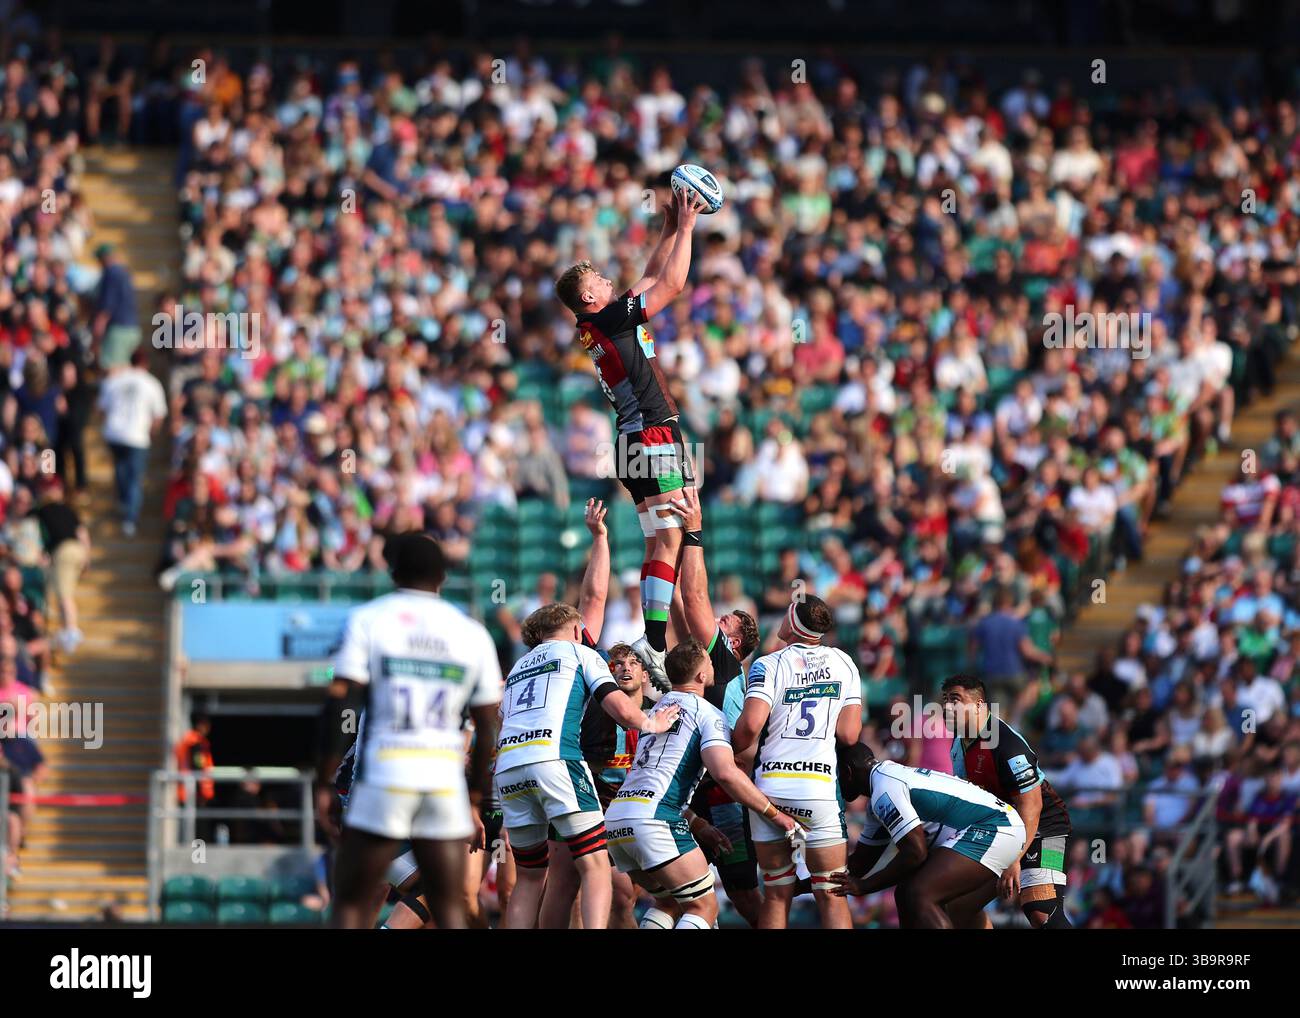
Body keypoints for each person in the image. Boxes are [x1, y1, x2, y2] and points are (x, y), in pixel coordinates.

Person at [554, 186, 707, 687]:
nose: (607, 278)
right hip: (652, 435)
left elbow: (651, 275)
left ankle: (655, 640)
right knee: (671, 537)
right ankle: (656, 644)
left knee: (658, 542)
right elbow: (672, 284)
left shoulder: (601, 320)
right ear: (588, 297)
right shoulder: (608, 318)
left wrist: (668, 228)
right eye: (598, 278)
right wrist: (688, 227)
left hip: (632, 441)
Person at [322, 532, 503, 929]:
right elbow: (487, 725)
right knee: (448, 899)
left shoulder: (369, 619)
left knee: (352, 898)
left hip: (383, 775)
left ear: (393, 573)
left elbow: (340, 702)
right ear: (443, 577)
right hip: (440, 781)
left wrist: (324, 780)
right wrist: (475, 800)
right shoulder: (471, 633)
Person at [495, 601, 680, 931]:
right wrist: (651, 723)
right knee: (594, 864)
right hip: (554, 759)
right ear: (576, 629)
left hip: (509, 767)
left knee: (529, 877)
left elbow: (502, 720)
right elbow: (617, 704)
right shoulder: (580, 653)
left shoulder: (518, 667)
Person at [605, 637, 797, 929]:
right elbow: (726, 773)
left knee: (669, 903)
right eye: (709, 663)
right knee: (704, 906)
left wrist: (697, 823)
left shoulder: (656, 710)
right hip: (655, 820)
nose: (712, 667)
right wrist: (774, 813)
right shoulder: (707, 714)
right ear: (701, 676)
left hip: (618, 819)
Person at [665, 485, 765, 924]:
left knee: (742, 893)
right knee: (678, 895)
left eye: (725, 621)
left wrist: (693, 533)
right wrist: (665, 550)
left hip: (720, 793)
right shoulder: (708, 664)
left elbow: (694, 599)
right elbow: (679, 607)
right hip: (700, 787)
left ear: (734, 642)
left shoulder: (723, 660)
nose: (715, 620)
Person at [732, 594, 863, 929]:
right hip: (818, 789)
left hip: (770, 790)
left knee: (776, 894)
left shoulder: (769, 664)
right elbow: (849, 734)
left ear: (793, 623)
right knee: (831, 894)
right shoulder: (844, 663)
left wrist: (728, 752)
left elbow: (750, 726)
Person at [831, 744, 1027, 929]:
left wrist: (865, 886)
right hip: (997, 827)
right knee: (905, 894)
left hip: (996, 826)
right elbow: (861, 863)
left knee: (919, 894)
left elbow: (915, 854)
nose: (835, 786)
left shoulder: (885, 788)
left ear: (847, 772)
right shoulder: (882, 788)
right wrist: (814, 881)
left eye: (835, 777)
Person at [940, 673, 1074, 928]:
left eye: (955, 699)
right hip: (1002, 830)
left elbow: (1032, 806)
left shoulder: (1006, 744)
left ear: (978, 705)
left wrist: (1014, 858)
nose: (947, 707)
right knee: (958, 905)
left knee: (1041, 910)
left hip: (1047, 829)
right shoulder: (959, 744)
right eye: (945, 700)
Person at [97, 348, 167, 538]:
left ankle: (123, 503)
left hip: (114, 433)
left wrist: (108, 426)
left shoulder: (114, 380)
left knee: (121, 469)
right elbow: (159, 416)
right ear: (146, 364)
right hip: (137, 436)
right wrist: (152, 433)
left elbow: (101, 409)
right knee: (135, 478)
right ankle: (130, 518)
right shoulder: (151, 383)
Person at [34, 480, 90, 654]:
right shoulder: (69, 510)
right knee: (65, 591)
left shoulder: (42, 511)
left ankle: (71, 631)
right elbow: (82, 533)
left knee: (64, 594)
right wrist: (86, 556)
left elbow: (39, 536)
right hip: (77, 550)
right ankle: (67, 628)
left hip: (63, 551)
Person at [92, 243, 141, 368]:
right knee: (124, 369)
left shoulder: (111, 273)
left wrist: (97, 332)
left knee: (113, 369)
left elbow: (107, 307)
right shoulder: (125, 273)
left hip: (118, 331)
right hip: (132, 329)